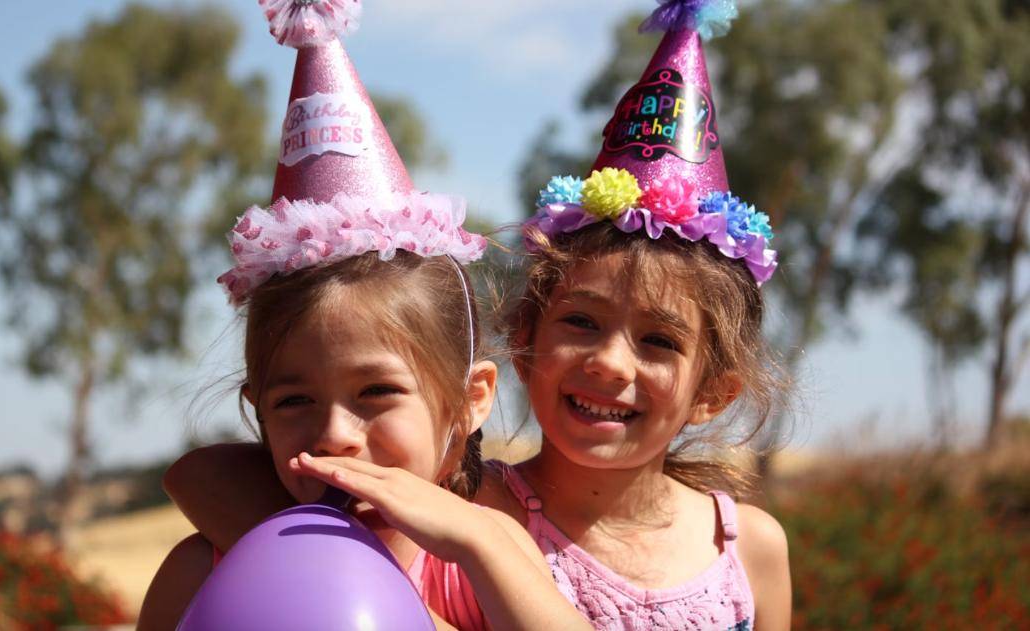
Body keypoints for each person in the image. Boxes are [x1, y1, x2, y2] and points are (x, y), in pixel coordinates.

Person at [164, 0, 792, 629]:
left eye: (659, 340)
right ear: (524, 337)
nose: (609, 361)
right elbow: (203, 475)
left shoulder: (479, 532)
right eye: (581, 322)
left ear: (714, 392)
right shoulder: (473, 507)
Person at [138, 2, 590, 630]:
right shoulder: (202, 570)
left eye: (376, 391)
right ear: (257, 409)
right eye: (294, 401)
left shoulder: (486, 563)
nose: (334, 435)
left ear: (471, 399)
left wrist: (478, 547)